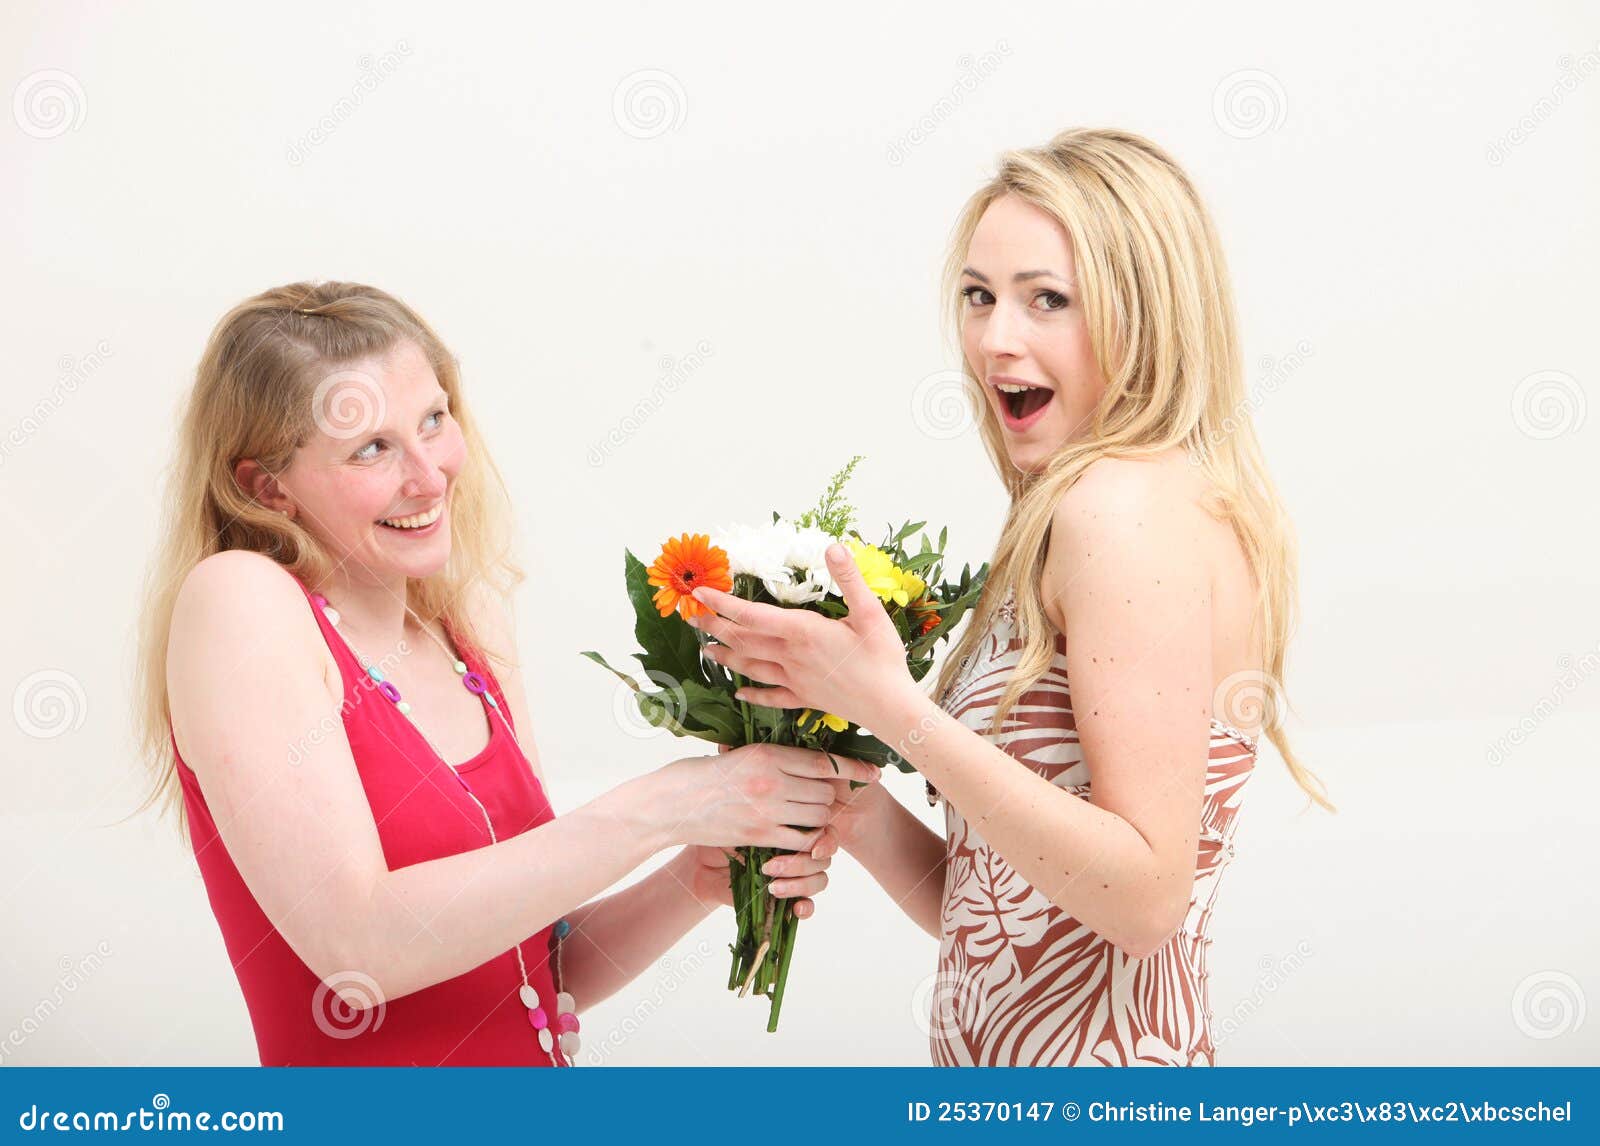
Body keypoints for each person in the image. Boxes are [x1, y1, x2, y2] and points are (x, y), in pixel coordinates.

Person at [688, 128, 1334, 1066]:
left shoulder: (1120, 512)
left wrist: (888, 707)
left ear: (1146, 315)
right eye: (980, 296)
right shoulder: (1086, 505)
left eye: (1049, 300)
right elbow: (1006, 919)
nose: (996, 338)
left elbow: (1145, 901)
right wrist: (852, 807)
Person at [131, 281, 872, 1065]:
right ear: (266, 486)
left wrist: (693, 877)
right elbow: (362, 947)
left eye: (433, 419)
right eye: (372, 448)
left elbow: (535, 970)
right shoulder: (241, 600)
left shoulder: (465, 625)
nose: (429, 475)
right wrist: (671, 802)